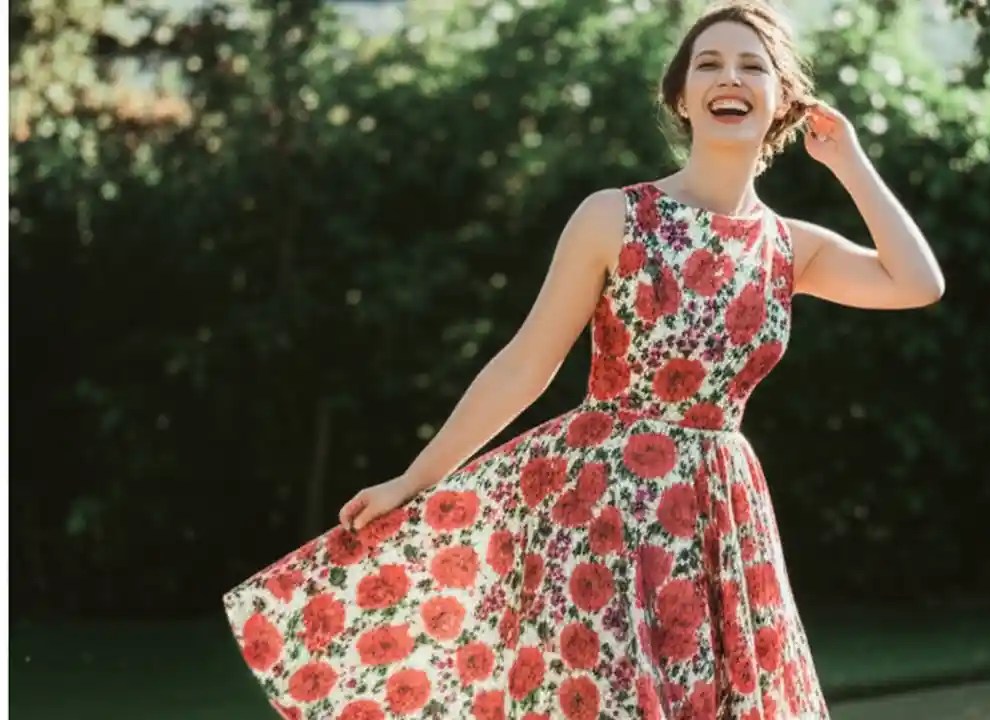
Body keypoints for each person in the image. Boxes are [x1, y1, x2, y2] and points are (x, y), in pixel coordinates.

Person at [223, 0, 945, 718]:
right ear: (682, 97)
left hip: (722, 520)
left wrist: (848, 160)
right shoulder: (614, 216)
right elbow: (525, 364)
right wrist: (416, 479)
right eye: (710, 64)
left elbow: (917, 283)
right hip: (602, 514)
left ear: (784, 98)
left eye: (753, 66)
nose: (731, 77)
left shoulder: (791, 247)